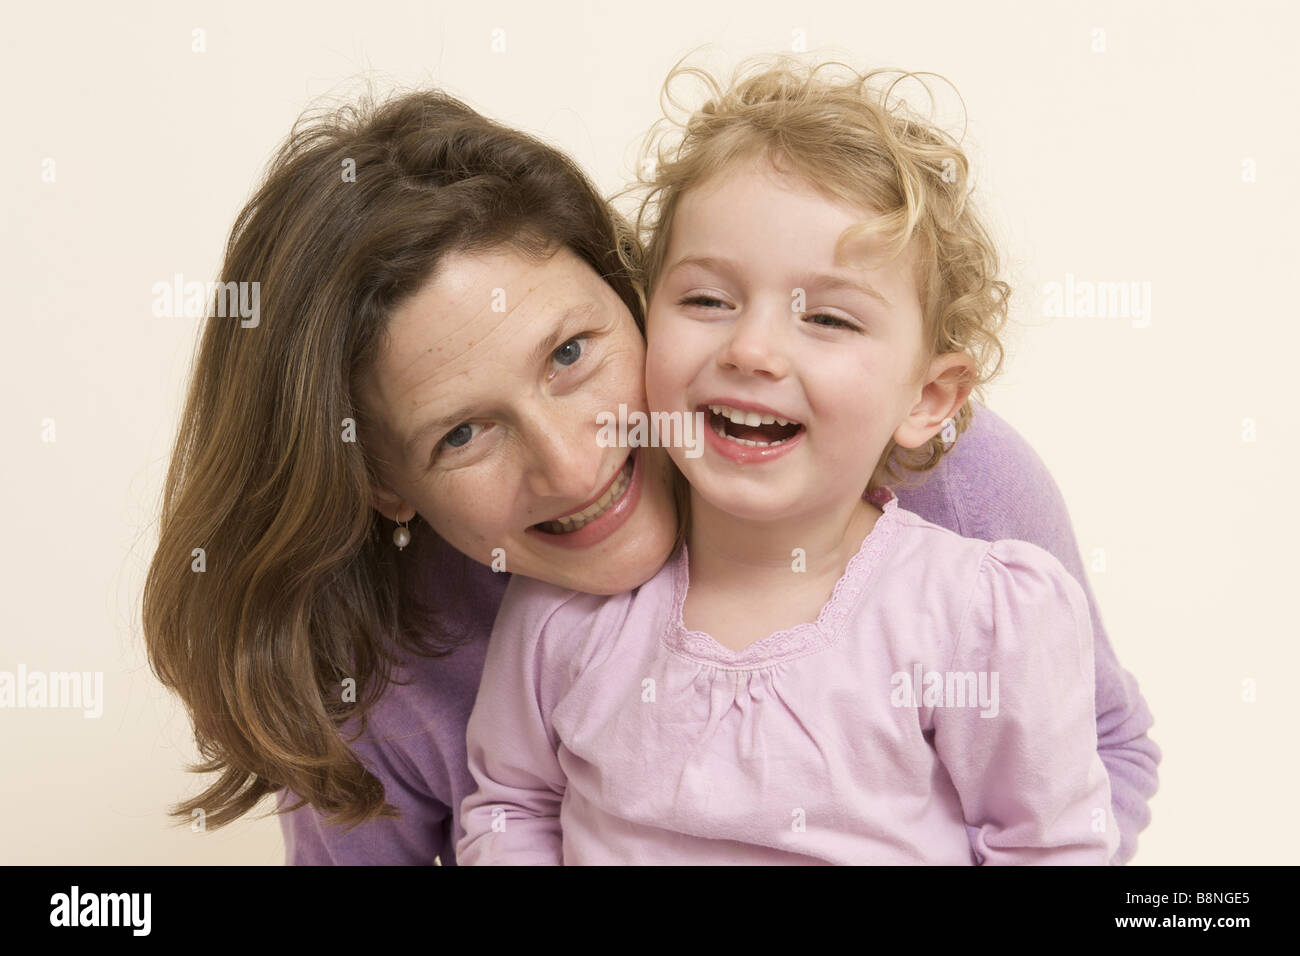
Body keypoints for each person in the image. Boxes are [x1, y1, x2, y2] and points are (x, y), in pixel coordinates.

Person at [141, 73, 1159, 866]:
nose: (574, 460)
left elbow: (1088, 768)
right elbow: (507, 808)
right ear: (380, 483)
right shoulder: (388, 664)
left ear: (626, 287)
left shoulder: (938, 479)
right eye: (461, 433)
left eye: (571, 352)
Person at [456, 58, 1120, 864]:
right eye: (707, 300)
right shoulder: (565, 614)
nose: (753, 349)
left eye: (830, 319)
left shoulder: (973, 622)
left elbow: (1051, 847)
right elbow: (511, 810)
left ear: (928, 400)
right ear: (643, 316)